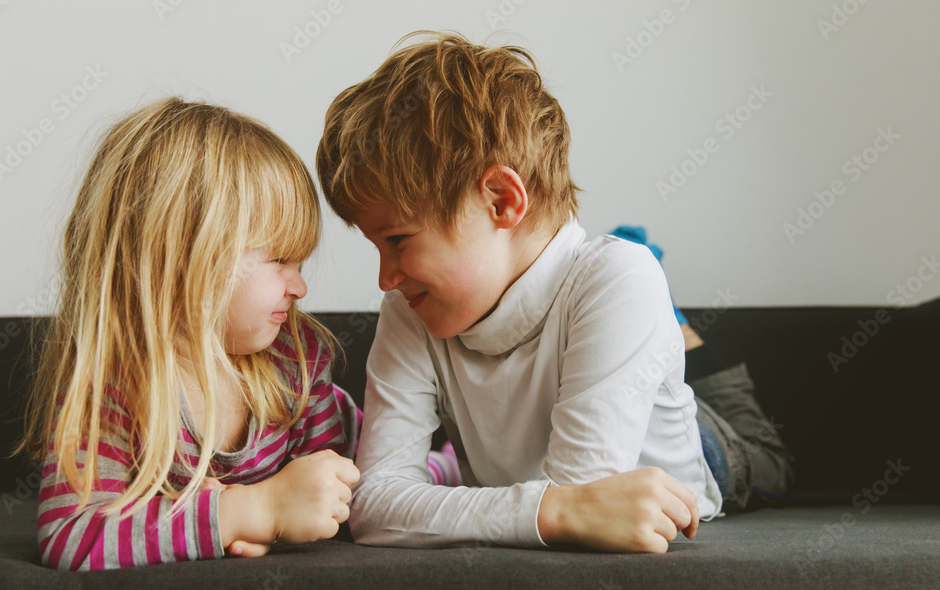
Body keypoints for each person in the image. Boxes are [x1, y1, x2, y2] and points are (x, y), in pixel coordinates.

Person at [314, 32, 792, 553]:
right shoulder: (408, 310)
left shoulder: (616, 279)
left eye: (398, 240)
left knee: (770, 462)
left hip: (701, 445)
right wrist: (554, 510)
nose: (385, 278)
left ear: (501, 201)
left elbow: (584, 492)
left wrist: (553, 506)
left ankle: (674, 329)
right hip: (598, 331)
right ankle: (661, 330)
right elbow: (377, 508)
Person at [13, 97, 364, 571]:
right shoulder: (119, 384)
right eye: (280, 259)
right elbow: (71, 536)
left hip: (381, 448)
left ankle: (448, 462)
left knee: (420, 469)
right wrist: (246, 512)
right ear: (178, 260)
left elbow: (348, 491)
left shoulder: (295, 363)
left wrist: (290, 508)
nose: (299, 287)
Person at [608, 225, 795, 511]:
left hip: (685, 437)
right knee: (775, 468)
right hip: (696, 446)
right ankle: (668, 311)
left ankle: (662, 306)